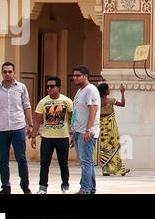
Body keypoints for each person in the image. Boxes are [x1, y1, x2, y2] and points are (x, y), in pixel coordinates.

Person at [0, 60, 33, 194]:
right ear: (2, 73)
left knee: (21, 158)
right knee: (2, 160)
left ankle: (25, 186)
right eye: (5, 72)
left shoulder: (21, 87)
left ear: (14, 73)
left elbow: (27, 106)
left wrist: (30, 125)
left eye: (10, 71)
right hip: (2, 129)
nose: (7, 74)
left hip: (18, 127)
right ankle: (5, 187)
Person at [32, 75, 74, 193]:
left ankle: (65, 186)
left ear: (59, 87)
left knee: (63, 163)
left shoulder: (67, 101)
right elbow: (37, 120)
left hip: (62, 137)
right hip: (47, 137)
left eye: (52, 86)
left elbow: (73, 118)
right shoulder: (43, 102)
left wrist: (74, 133)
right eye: (48, 86)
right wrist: (34, 136)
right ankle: (42, 187)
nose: (49, 89)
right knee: (44, 163)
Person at [69, 65, 100, 194]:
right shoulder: (80, 91)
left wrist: (88, 129)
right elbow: (76, 112)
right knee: (85, 161)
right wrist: (73, 130)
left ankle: (85, 188)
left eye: (78, 76)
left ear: (85, 76)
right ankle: (91, 188)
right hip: (79, 131)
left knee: (86, 161)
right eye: (74, 76)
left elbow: (93, 109)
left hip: (87, 132)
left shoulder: (90, 90)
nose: (75, 78)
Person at [97, 81, 129, 176]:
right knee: (114, 146)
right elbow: (123, 104)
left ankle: (106, 169)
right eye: (108, 88)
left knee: (104, 148)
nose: (109, 90)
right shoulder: (111, 100)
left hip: (102, 127)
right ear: (105, 91)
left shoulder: (97, 101)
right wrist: (122, 92)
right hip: (111, 127)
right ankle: (120, 169)